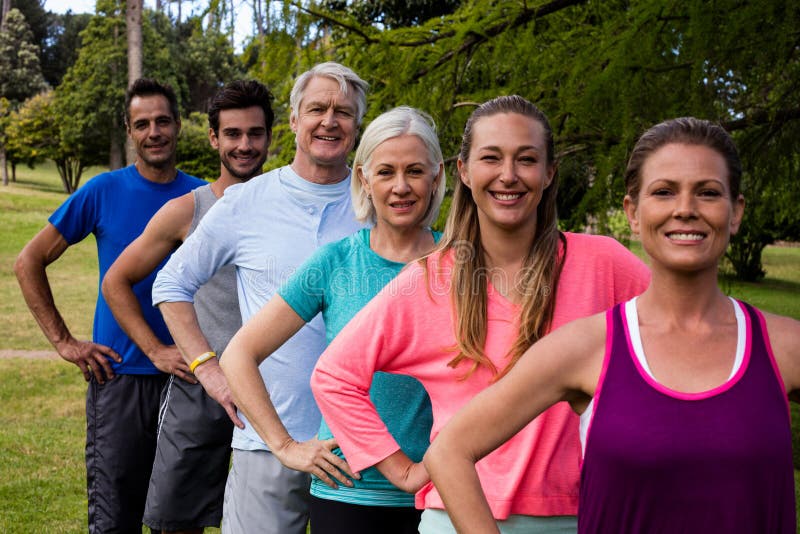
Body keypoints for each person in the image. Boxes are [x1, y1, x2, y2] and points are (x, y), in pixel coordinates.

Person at [424, 117, 799, 533]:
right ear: (633, 213)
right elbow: (449, 451)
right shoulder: (585, 348)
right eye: (664, 192)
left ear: (735, 212)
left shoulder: (784, 346)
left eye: (708, 193)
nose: (686, 209)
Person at [310, 95, 651, 533]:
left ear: (549, 173)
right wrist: (406, 472)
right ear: (464, 172)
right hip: (454, 517)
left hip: (579, 515)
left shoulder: (604, 264)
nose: (508, 175)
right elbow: (334, 377)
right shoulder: (428, 281)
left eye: (526, 159)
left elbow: (682, 338)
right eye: (491, 158)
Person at [151, 62, 368, 534]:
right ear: (293, 120)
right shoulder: (247, 202)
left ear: (357, 125)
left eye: (344, 112)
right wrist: (208, 369)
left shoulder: (377, 203)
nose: (329, 121)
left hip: (361, 440)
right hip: (267, 438)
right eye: (316, 109)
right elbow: (170, 286)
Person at [221, 106, 447, 534]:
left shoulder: (459, 262)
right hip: (348, 494)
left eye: (415, 171)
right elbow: (239, 354)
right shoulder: (336, 262)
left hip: (441, 492)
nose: (401, 187)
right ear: (363, 179)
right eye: (385, 172)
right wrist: (285, 446)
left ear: (436, 177)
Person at [14, 79, 206, 533]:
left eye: (162, 121)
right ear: (129, 131)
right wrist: (63, 341)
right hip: (119, 379)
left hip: (190, 381)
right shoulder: (103, 191)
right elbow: (29, 261)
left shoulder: (203, 198)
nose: (154, 131)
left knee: (179, 522)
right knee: (115, 518)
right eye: (142, 124)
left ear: (178, 126)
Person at [101, 80, 274, 533]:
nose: (244, 145)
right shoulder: (187, 210)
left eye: (255, 133)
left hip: (273, 388)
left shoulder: (286, 205)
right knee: (174, 523)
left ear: (271, 137)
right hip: (202, 390)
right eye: (232, 134)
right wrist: (158, 351)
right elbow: (116, 281)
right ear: (213, 138)